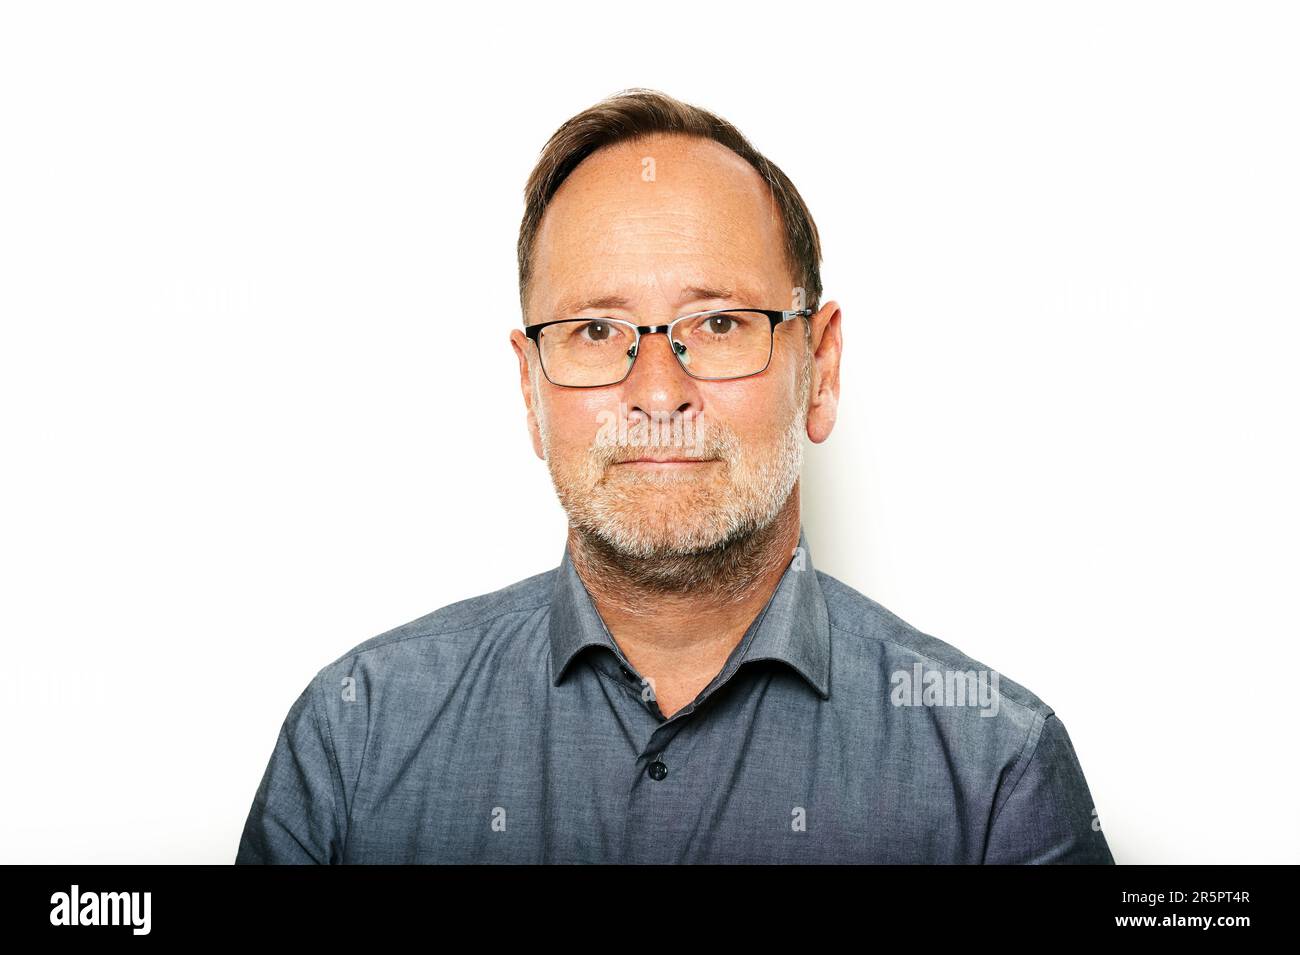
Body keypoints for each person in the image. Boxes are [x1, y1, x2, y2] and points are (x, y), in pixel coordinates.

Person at [235, 88, 1114, 864]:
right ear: (530, 391)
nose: (658, 393)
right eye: (593, 330)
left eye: (722, 323)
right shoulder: (354, 739)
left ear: (822, 369)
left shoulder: (997, 775)